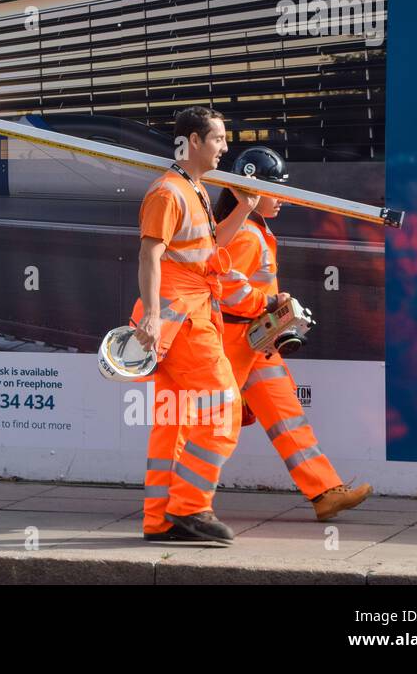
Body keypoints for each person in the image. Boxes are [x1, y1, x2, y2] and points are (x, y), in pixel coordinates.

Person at [215, 146, 373, 520]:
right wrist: (269, 302)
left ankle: (324, 492)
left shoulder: (254, 231)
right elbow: (226, 287)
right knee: (213, 426)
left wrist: (270, 304)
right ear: (248, 191)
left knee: (287, 418)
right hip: (234, 344)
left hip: (253, 343)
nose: (283, 198)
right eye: (275, 190)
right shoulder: (248, 236)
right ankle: (180, 501)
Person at [132, 106, 259, 545]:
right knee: (223, 409)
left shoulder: (192, 190)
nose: (225, 148)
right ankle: (190, 508)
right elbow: (149, 254)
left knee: (175, 420)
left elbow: (206, 250)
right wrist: (150, 313)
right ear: (192, 141)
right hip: (182, 321)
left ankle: (160, 519)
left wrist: (243, 210)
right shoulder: (169, 192)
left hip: (181, 320)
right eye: (219, 139)